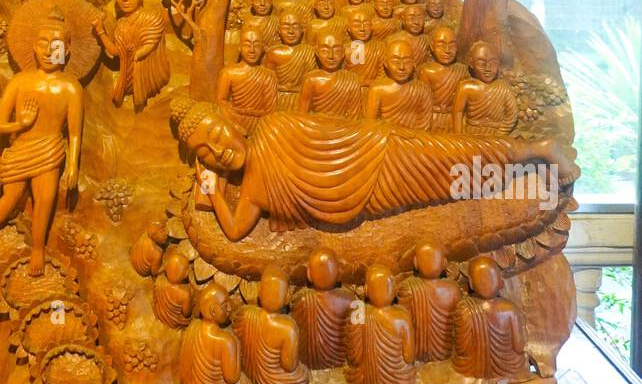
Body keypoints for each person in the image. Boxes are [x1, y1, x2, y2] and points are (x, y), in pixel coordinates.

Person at [171, 94, 578, 242]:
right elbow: (237, 231)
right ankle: (525, 172)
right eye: (205, 153)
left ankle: (535, 149)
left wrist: (377, 138)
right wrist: (215, 194)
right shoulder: (256, 189)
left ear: (228, 120)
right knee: (448, 185)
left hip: (379, 153)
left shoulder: (276, 126)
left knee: (450, 153)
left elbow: (336, 130)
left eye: (216, 135)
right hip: (373, 197)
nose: (218, 151)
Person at [0, 14, 84, 275]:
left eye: (57, 46)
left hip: (50, 150)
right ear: (33, 47)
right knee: (12, 196)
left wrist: (73, 166)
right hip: (22, 148)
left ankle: (38, 249)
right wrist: (22, 124)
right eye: (43, 44)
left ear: (68, 50)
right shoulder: (20, 81)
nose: (49, 52)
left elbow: (74, 133)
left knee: (45, 199)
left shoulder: (71, 88)